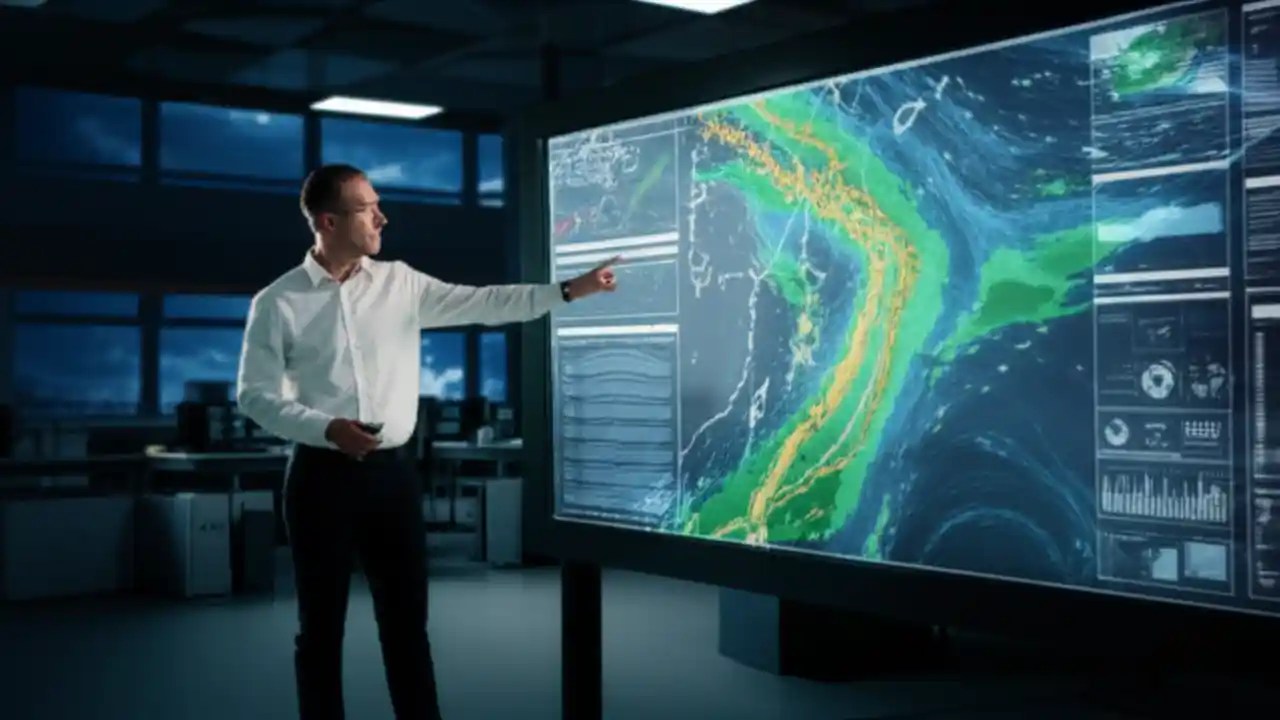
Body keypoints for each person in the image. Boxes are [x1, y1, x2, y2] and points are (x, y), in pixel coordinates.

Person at [235, 163, 618, 720]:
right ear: (328, 221)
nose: (382, 217)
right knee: (319, 630)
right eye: (368, 208)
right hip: (320, 477)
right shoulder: (278, 302)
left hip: (391, 476)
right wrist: (326, 428)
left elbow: (487, 303)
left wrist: (569, 291)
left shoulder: (400, 284)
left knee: (407, 625)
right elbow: (255, 396)